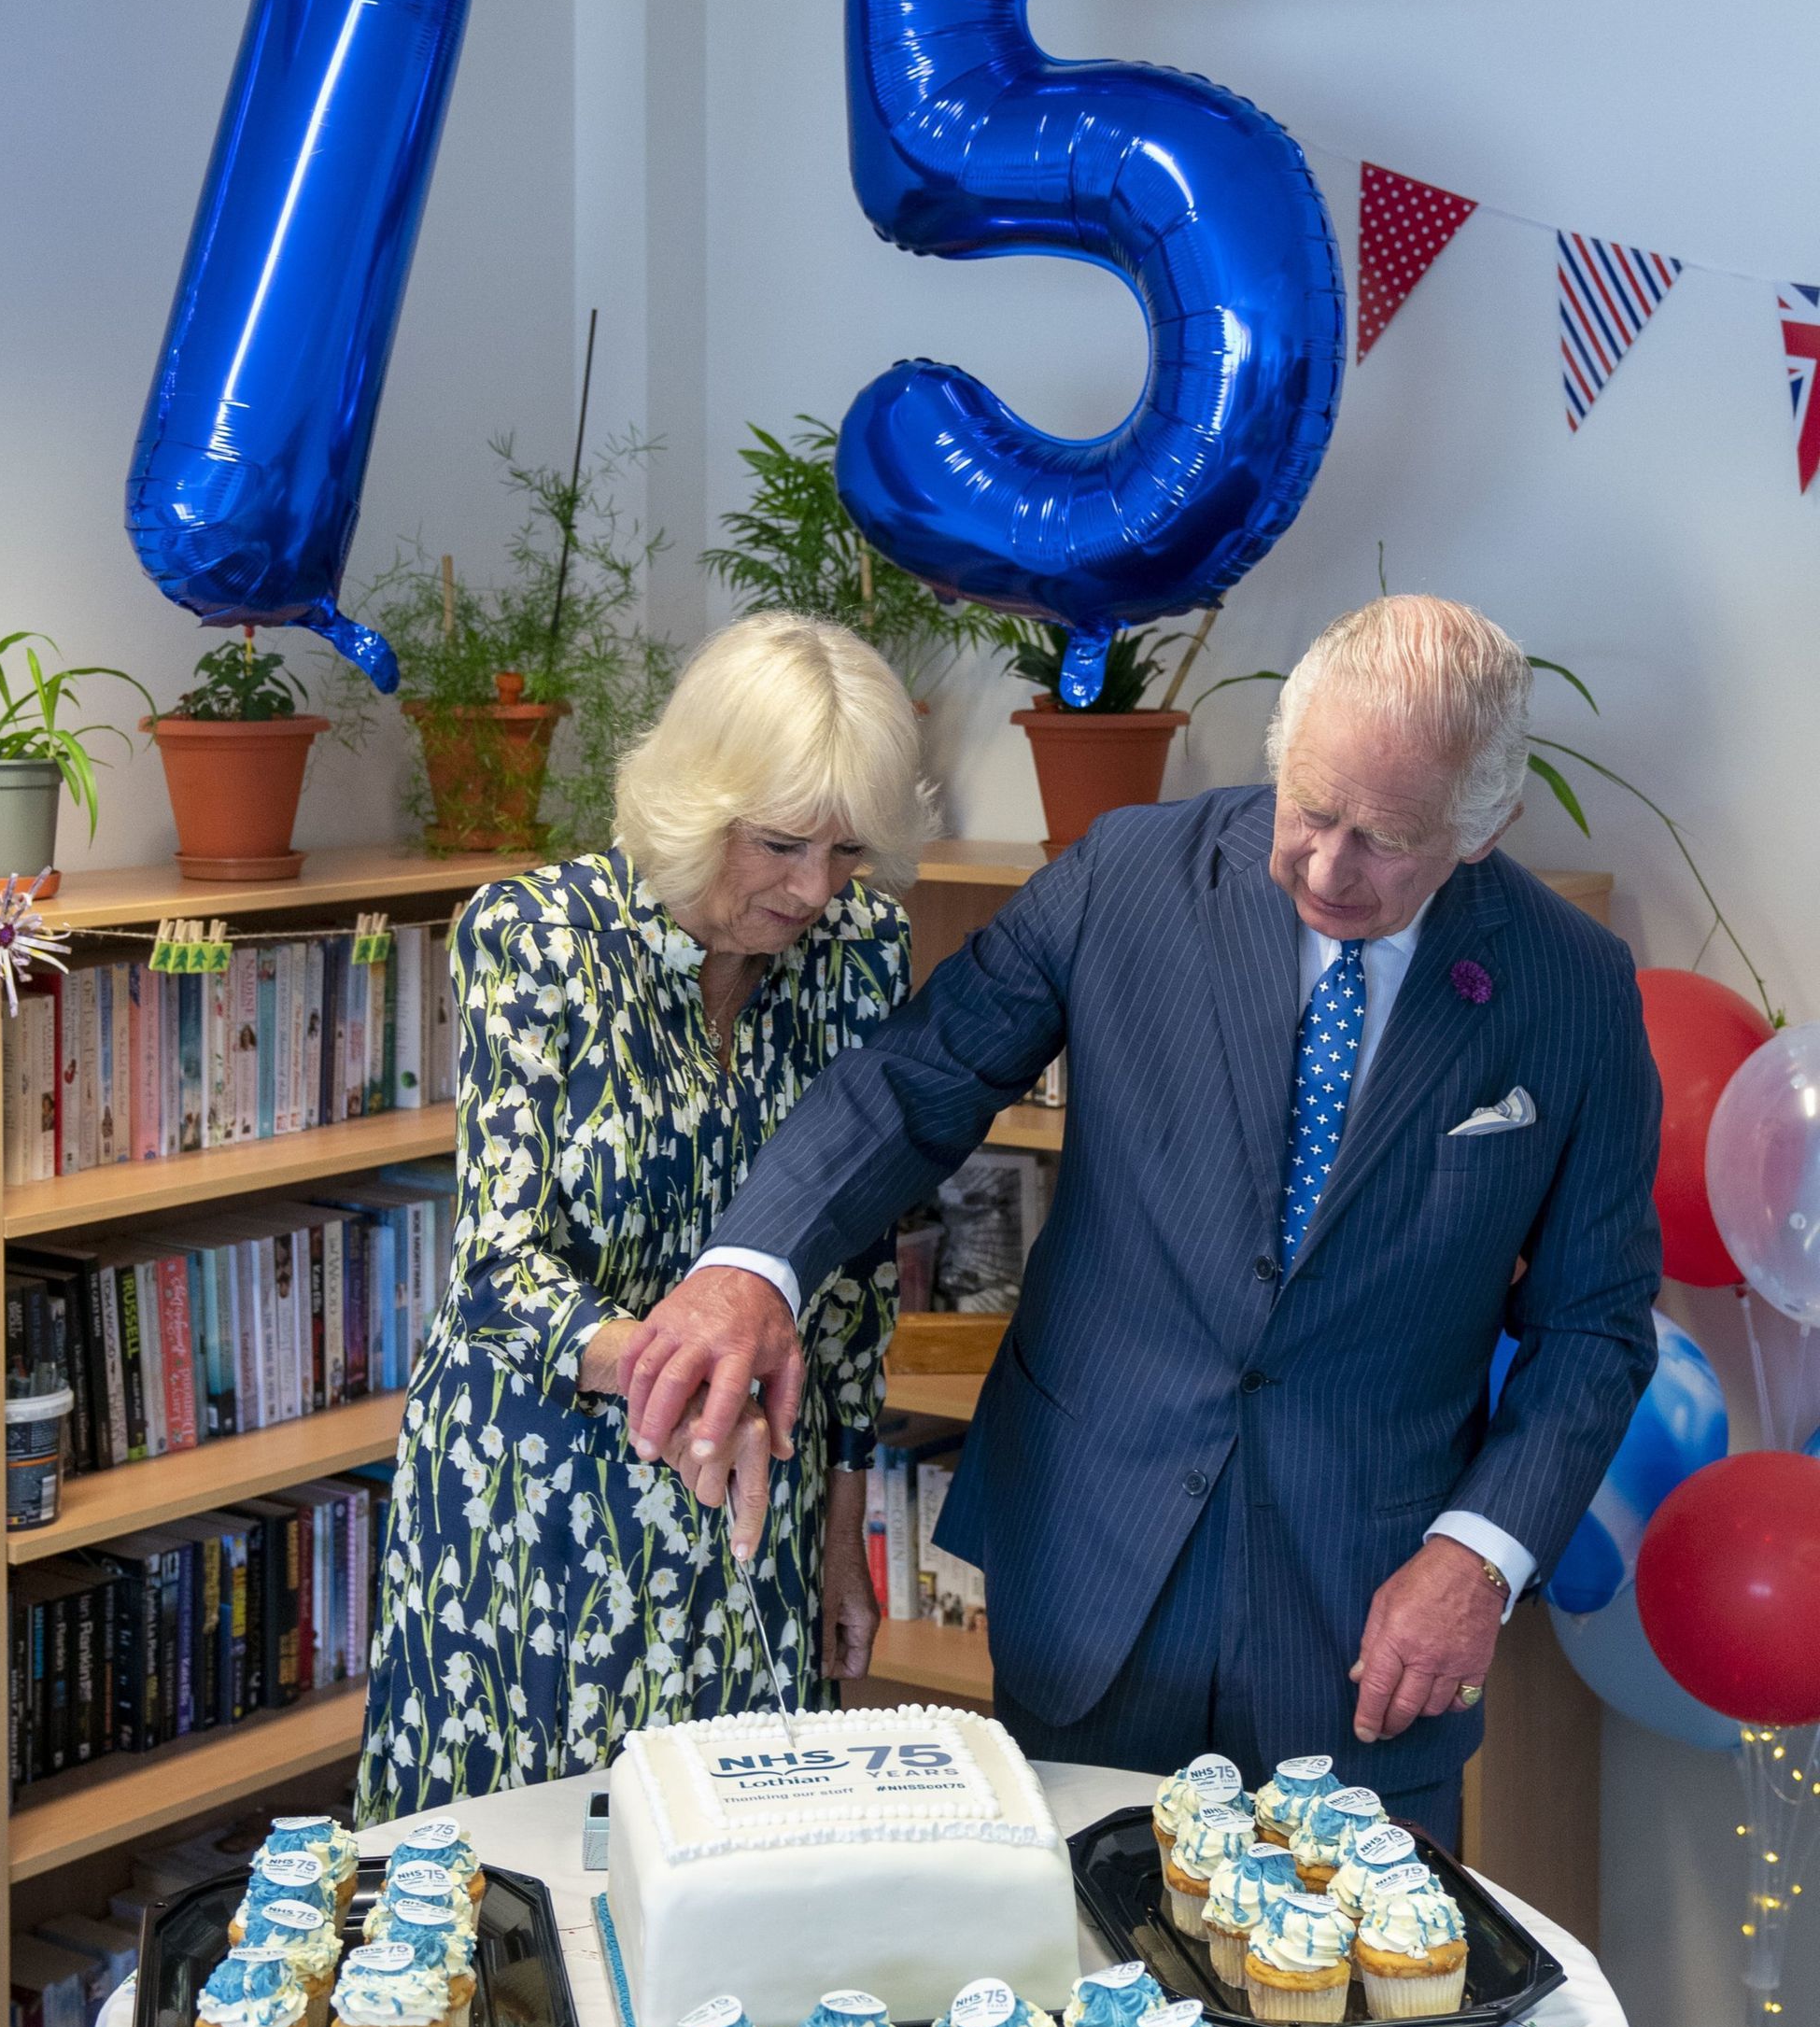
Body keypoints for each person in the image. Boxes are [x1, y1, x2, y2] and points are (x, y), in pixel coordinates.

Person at [618, 596, 1663, 1842]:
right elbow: (915, 1079)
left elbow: (1594, 1325)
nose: (1329, 868)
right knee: (1073, 2000)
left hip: (1369, 1610)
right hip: (1095, 1567)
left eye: (1385, 841)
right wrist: (753, 1267)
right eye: (1313, 810)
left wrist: (1478, 1557)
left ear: (1484, 822)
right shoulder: (1125, 877)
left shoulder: (1572, 991)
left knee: (1353, 2019)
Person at [356, 612, 931, 1814]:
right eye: (781, 845)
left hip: (756, 1502)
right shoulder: (536, 942)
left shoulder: (864, 950)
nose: (814, 889)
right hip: (538, 1509)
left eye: (847, 853)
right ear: (699, 802)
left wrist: (842, 1536)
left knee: (741, 1876)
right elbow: (497, 1273)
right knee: (521, 1900)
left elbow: (857, 1276)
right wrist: (689, 1376)